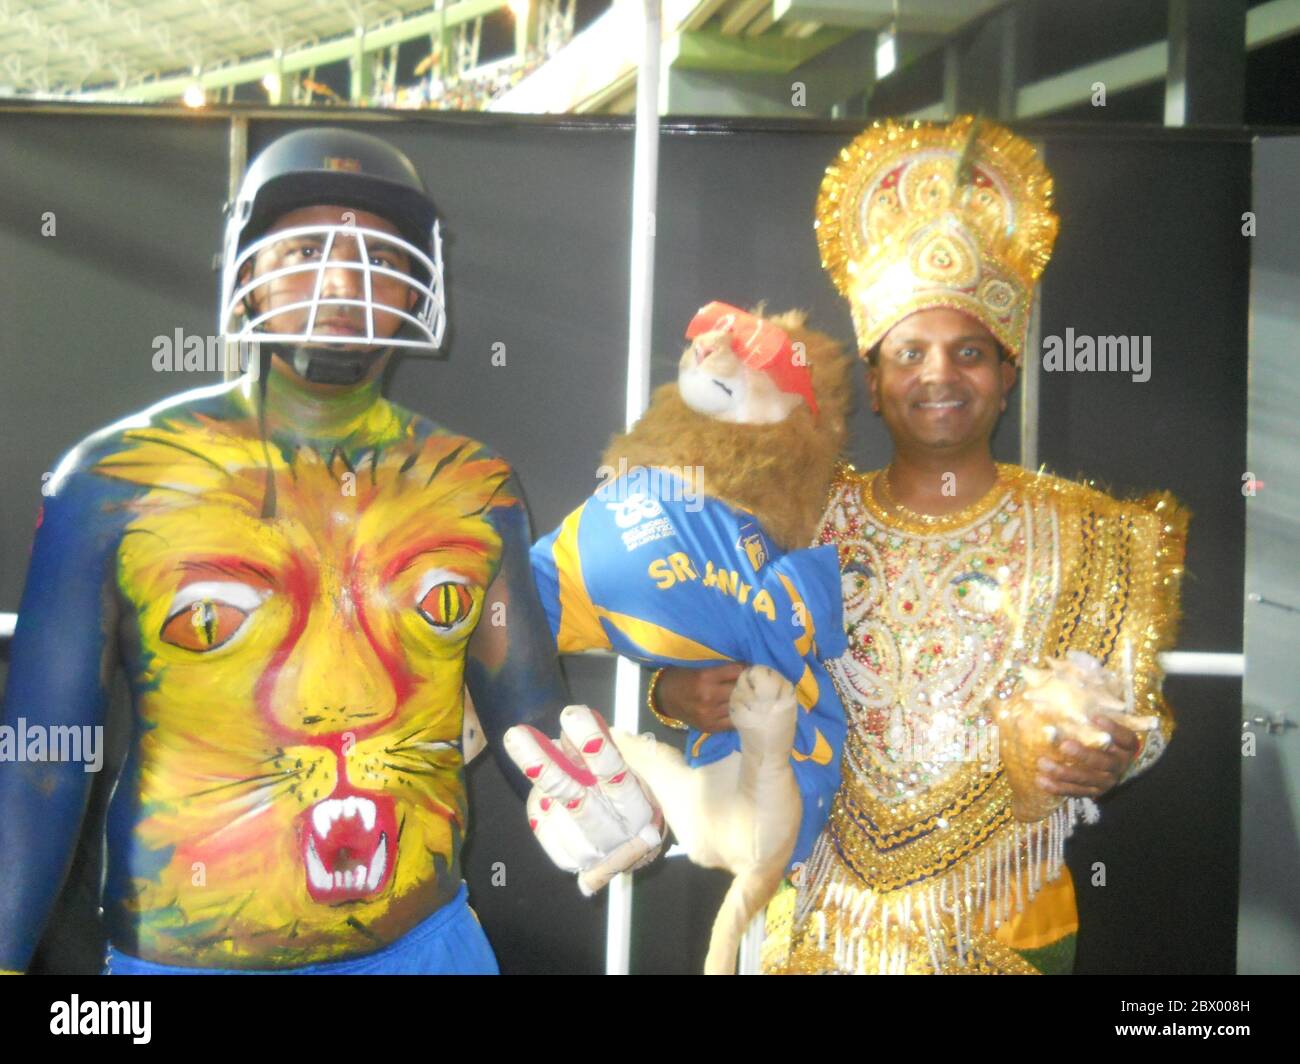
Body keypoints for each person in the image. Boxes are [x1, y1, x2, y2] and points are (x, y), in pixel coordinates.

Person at [0, 127, 598, 974]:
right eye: (309, 245)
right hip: (184, 960)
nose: (345, 277)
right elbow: (41, 759)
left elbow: (529, 715)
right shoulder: (114, 482)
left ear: (419, 283)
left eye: (381, 256)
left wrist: (602, 799)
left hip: (427, 948)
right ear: (246, 268)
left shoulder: (474, 487)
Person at [652, 116, 1190, 974]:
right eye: (910, 354)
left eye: (969, 353)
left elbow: (1141, 712)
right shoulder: (798, 518)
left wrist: (1114, 752)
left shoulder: (1098, 535)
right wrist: (677, 692)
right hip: (812, 903)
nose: (938, 375)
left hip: (1001, 919)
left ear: (1007, 373)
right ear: (874, 381)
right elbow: (690, 657)